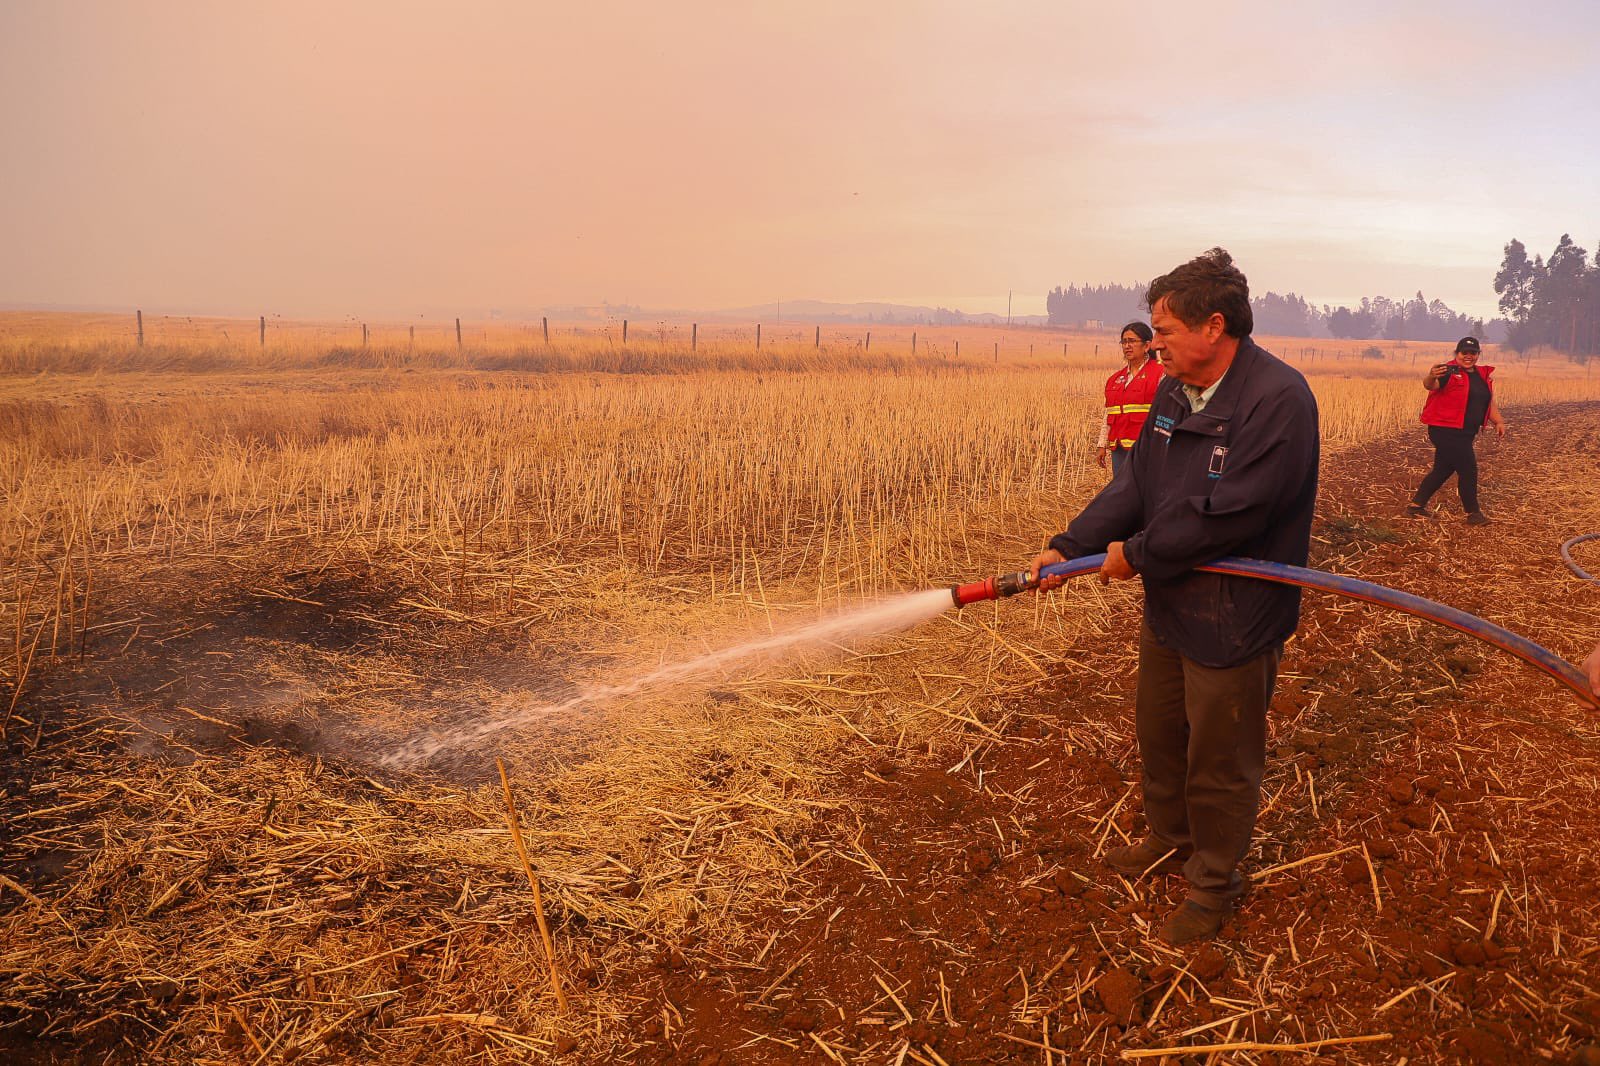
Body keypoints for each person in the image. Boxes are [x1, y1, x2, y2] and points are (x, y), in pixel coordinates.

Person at [1028, 248, 1320, 947]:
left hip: (1236, 612)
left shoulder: (1278, 399)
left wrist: (1137, 556)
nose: (1151, 341)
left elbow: (1233, 512)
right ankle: (1170, 839)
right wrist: (1072, 543)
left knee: (1219, 757)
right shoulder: (1171, 390)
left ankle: (1214, 882)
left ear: (1213, 326)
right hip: (1171, 602)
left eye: (1162, 329)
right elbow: (1135, 488)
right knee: (1161, 735)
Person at [1408, 337, 1506, 525]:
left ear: (1478, 354)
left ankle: (1415, 506)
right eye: (1464, 353)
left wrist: (1498, 421)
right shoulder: (1447, 371)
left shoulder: (1481, 375)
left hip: (1466, 432)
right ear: (1457, 353)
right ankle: (1473, 514)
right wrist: (1431, 375)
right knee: (1468, 470)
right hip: (1445, 430)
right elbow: (1430, 385)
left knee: (1442, 470)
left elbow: (1487, 401)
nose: (1469, 356)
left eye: (1473, 353)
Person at [1097, 322, 1163, 477]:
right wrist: (1102, 445)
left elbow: (1167, 412)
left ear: (1147, 346)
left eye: (1132, 341)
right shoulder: (1114, 379)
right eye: (1124, 342)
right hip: (1118, 448)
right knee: (1121, 492)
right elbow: (1109, 414)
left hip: (1147, 446)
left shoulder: (1160, 373)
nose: (1127, 346)